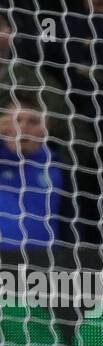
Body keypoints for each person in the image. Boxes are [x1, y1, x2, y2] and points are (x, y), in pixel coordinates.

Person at [0, 90, 62, 250]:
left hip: (48, 266)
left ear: (45, 127)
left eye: (33, 122)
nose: (23, 128)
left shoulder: (59, 165)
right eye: (16, 120)